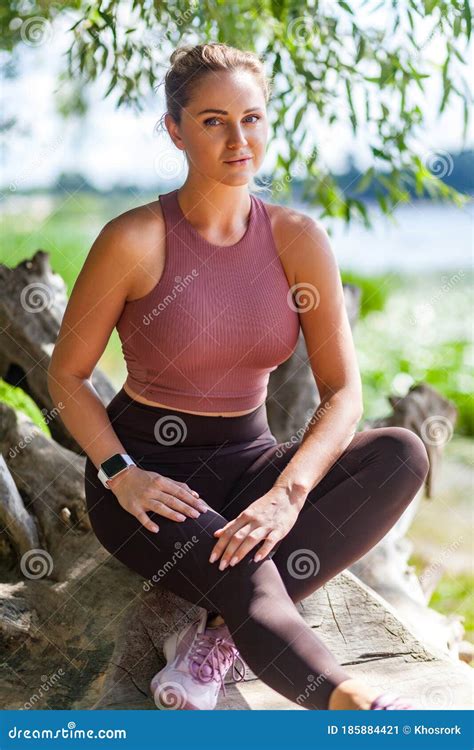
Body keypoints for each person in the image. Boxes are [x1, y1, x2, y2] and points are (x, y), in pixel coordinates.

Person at [48, 42, 429, 712]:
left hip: (252, 466)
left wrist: (287, 493)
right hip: (152, 481)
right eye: (213, 121)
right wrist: (120, 471)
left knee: (401, 453)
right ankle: (350, 701)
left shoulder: (298, 239)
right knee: (247, 571)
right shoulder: (134, 238)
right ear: (175, 129)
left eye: (251, 118)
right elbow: (69, 375)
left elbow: (345, 394)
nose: (237, 139)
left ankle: (214, 631)